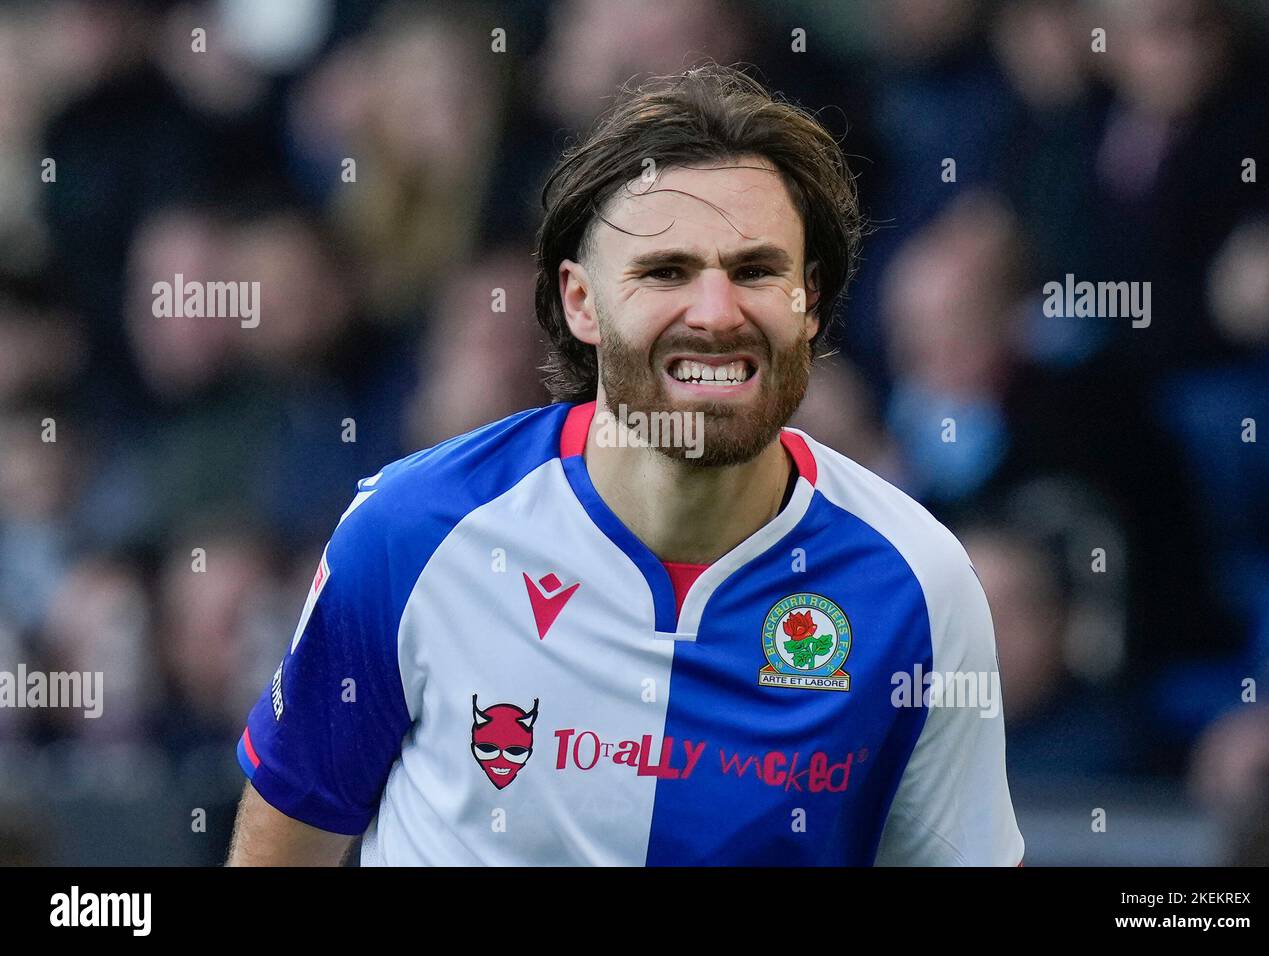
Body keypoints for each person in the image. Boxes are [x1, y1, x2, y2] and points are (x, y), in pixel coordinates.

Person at [226, 65, 1024, 866]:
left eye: (755, 271)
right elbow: (288, 838)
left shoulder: (918, 583)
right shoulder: (411, 534)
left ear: (809, 301)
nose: (715, 315)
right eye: (665, 272)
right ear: (581, 303)